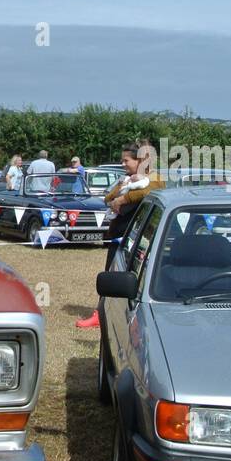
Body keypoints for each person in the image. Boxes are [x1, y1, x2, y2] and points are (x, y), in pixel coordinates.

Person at [75, 140, 164, 329]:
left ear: (140, 161)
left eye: (126, 160)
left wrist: (123, 198)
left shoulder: (153, 179)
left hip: (138, 239)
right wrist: (119, 192)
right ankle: (101, 314)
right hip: (118, 236)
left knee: (139, 279)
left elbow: (149, 191)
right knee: (110, 275)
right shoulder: (126, 179)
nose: (123, 164)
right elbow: (108, 198)